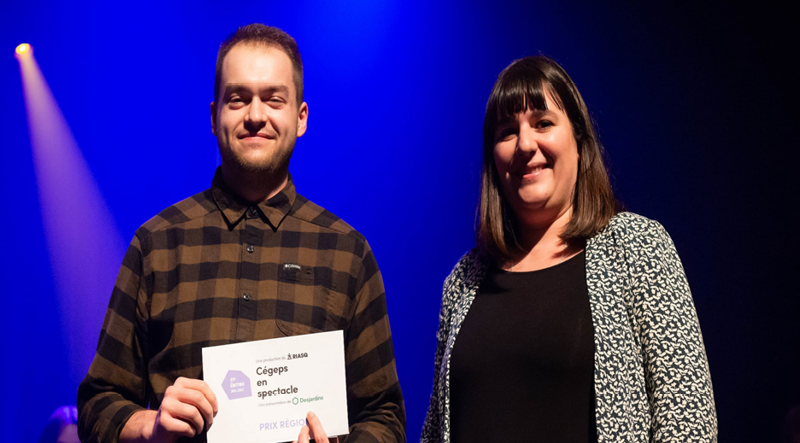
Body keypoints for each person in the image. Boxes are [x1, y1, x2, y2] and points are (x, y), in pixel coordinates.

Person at [77, 24, 405, 443]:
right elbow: (96, 404)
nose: (255, 115)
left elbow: (385, 416)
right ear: (214, 117)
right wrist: (150, 425)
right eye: (238, 98)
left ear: (300, 118)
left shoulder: (347, 253)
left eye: (273, 99)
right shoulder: (157, 244)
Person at [420, 56, 717, 442]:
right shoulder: (464, 280)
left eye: (543, 123)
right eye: (507, 131)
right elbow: (435, 429)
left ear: (579, 142)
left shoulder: (635, 246)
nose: (525, 144)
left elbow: (687, 416)